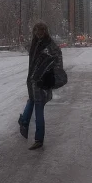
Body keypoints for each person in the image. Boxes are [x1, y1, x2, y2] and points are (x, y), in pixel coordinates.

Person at [18, 22, 66, 150]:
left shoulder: (48, 46)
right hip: (35, 82)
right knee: (34, 102)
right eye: (37, 32)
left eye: (40, 32)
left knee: (37, 107)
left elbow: (57, 65)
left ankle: (37, 137)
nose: (38, 34)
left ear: (44, 32)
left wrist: (49, 78)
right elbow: (57, 63)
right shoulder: (38, 44)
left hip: (42, 83)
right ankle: (25, 124)